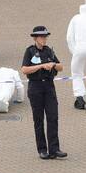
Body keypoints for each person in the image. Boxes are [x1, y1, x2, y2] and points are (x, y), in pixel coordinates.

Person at [21, 26, 66, 159]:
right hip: (36, 87)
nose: (44, 39)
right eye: (41, 37)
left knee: (53, 117)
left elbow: (61, 67)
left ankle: (54, 149)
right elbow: (24, 69)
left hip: (49, 87)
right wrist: (41, 66)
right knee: (38, 119)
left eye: (45, 36)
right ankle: (42, 149)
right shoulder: (29, 51)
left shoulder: (49, 51)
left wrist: (52, 65)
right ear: (35, 38)